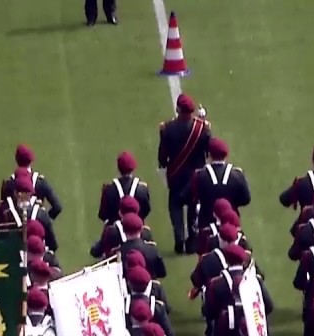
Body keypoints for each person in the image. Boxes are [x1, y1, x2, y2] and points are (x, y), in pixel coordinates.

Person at [158, 93, 212, 254]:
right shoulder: (202, 128)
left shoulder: (167, 129)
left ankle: (179, 237)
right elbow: (208, 150)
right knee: (193, 206)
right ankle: (191, 242)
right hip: (195, 176)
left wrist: (163, 164)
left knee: (175, 205)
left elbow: (162, 156)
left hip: (176, 175)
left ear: (178, 109)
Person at [191, 138, 252, 230]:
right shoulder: (237, 174)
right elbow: (246, 199)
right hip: (231, 223)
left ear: (210, 154)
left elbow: (194, 197)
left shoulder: (200, 175)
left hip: (206, 223)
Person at [0, 144, 63, 219]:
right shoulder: (41, 182)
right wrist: (44, 221)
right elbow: (57, 207)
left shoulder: (9, 184)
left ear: (16, 159)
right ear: (31, 161)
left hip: (15, 228)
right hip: (37, 228)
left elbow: (2, 211)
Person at [98, 151, 151, 223]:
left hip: (115, 231)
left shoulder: (108, 190)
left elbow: (103, 215)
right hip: (136, 229)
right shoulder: (142, 189)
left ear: (119, 168)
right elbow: (146, 210)